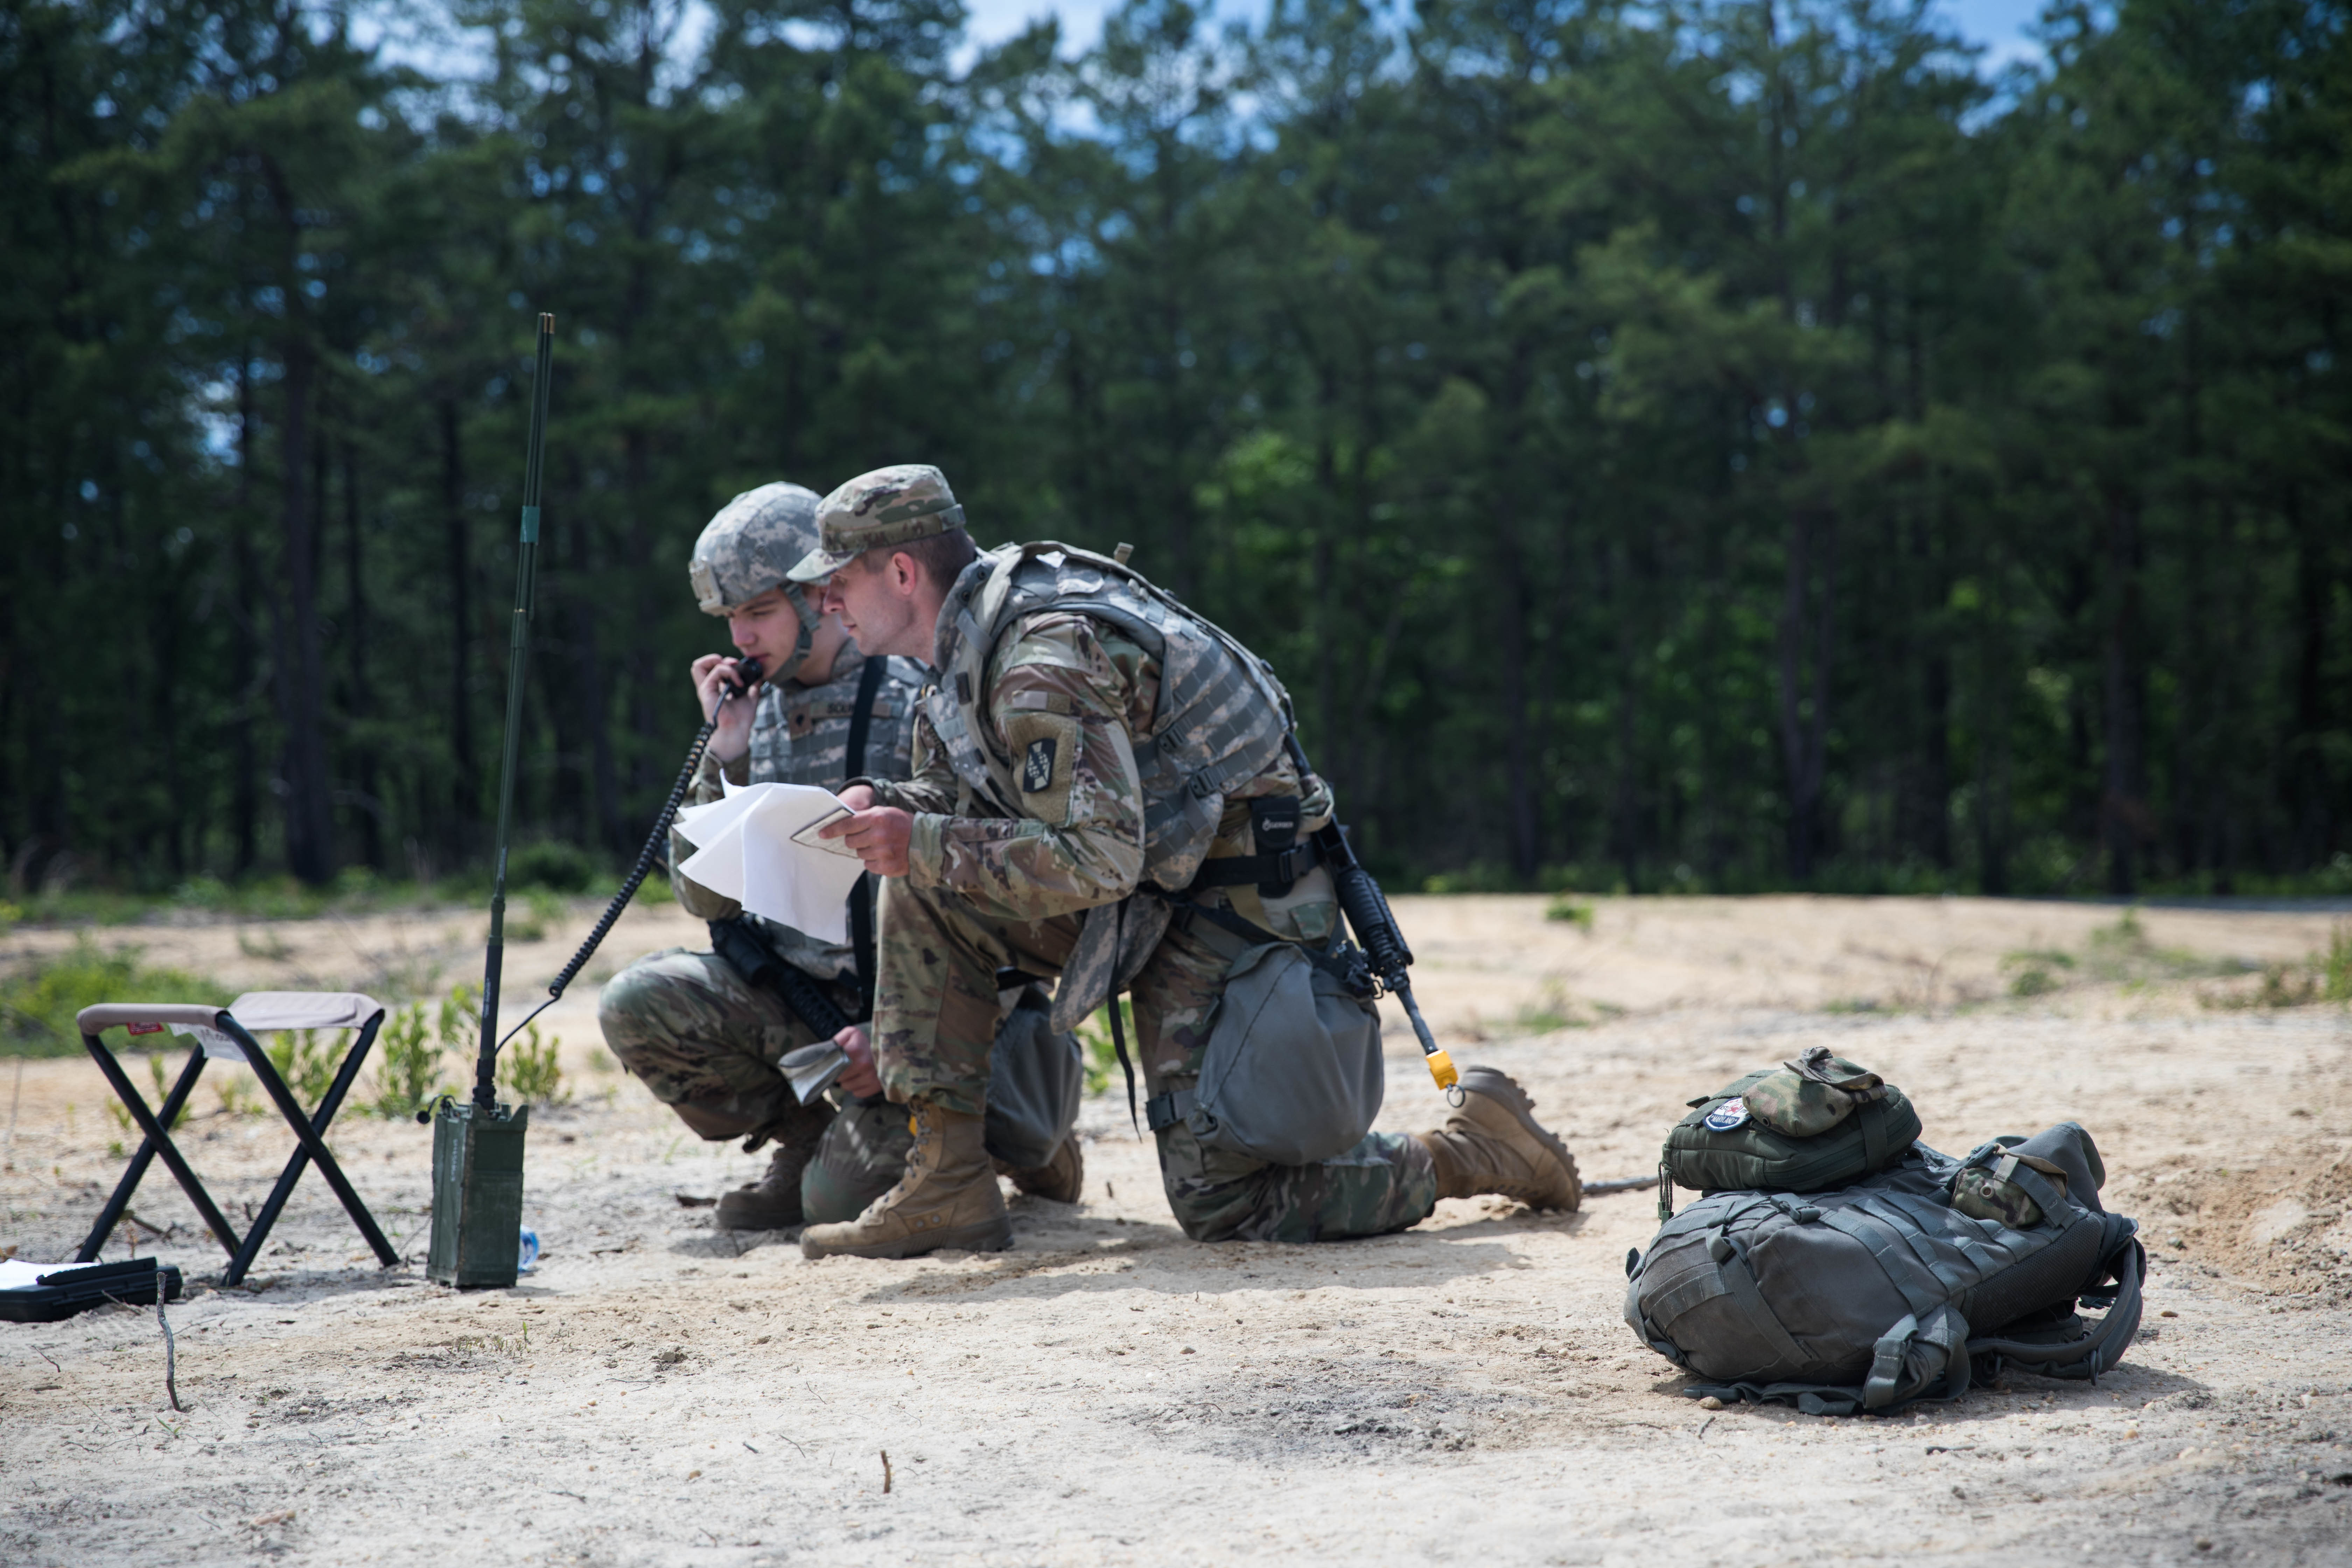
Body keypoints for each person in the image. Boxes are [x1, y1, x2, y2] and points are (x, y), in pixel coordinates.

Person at [787, 464, 1583, 1260]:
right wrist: (880, 798)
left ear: (900, 572)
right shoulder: (972, 641)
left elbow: (1095, 855)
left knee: (1223, 1201)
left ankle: (1472, 1148)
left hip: (1234, 892)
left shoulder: (1038, 656)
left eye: (839, 582)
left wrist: (918, 840)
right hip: (1155, 875)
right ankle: (949, 1186)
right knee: (925, 887)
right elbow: (966, 790)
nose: (827, 605)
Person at [596, 482, 1082, 1229]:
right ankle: (810, 1135)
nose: (742, 637)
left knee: (838, 1203)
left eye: (759, 610)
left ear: (822, 594)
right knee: (639, 1000)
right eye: (730, 618)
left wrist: (893, 1034)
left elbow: (999, 892)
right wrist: (722, 757)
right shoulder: (747, 717)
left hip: (942, 1006)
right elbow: (707, 904)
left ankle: (1026, 1138)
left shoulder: (919, 686)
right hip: (814, 1010)